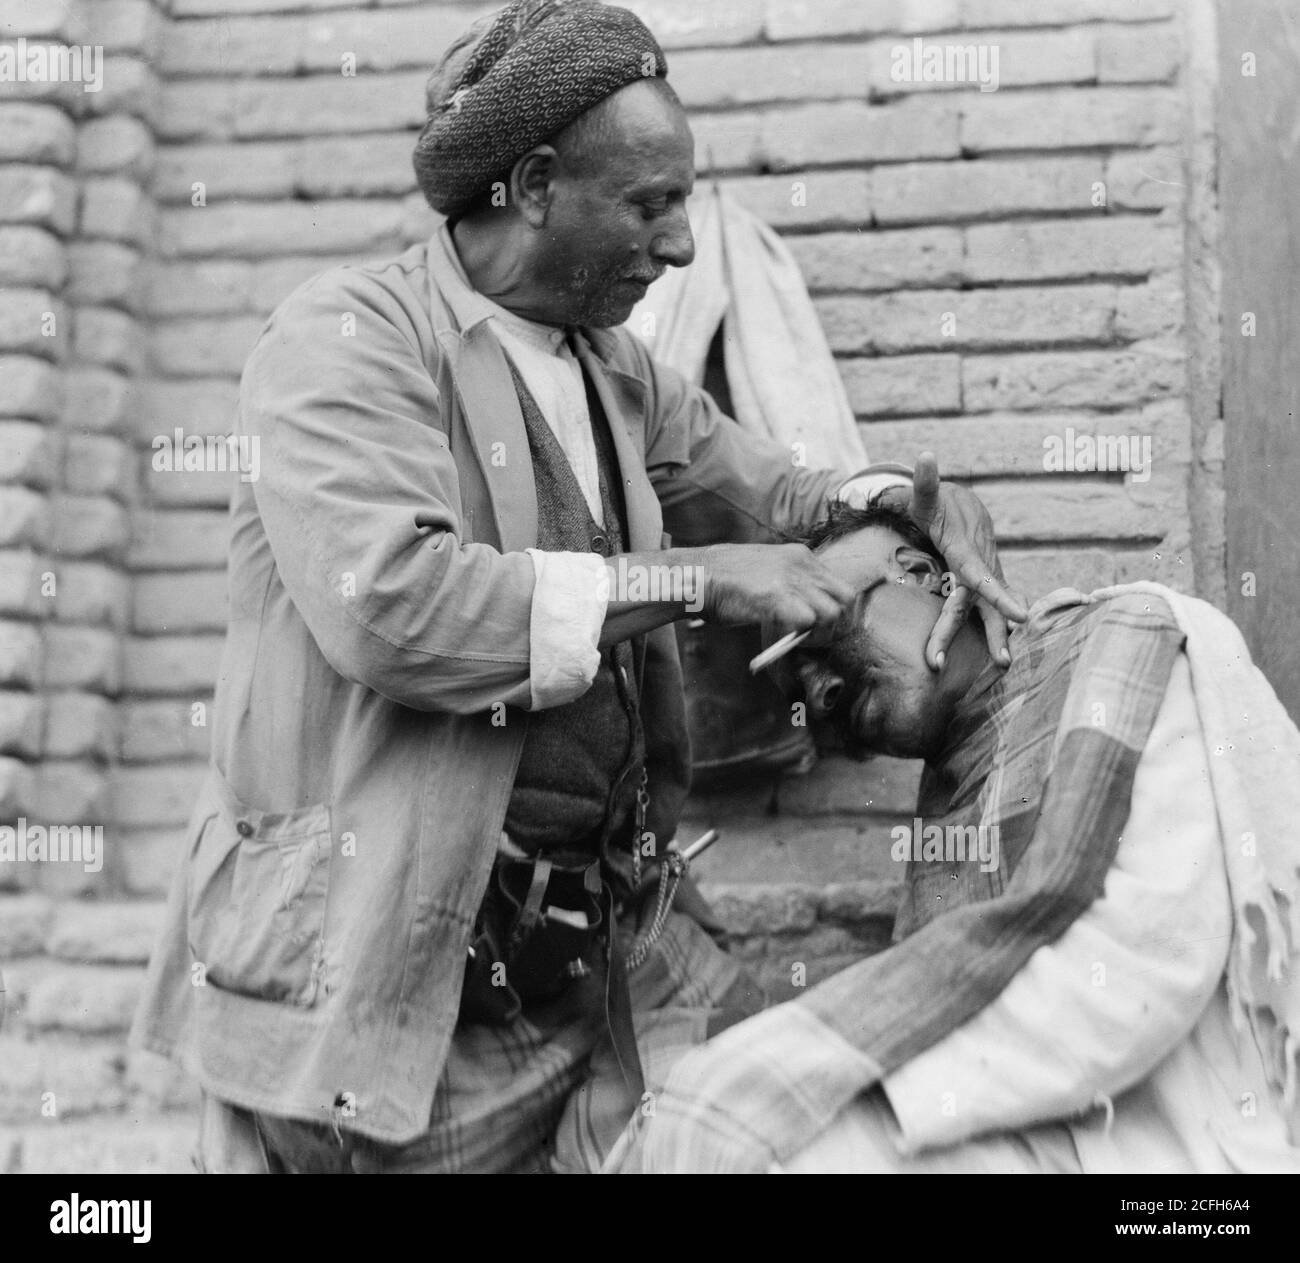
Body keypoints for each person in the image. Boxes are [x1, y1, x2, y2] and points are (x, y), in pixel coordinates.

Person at [130, 1, 1023, 1173]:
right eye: (651, 204)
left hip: (586, 956)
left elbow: (774, 487)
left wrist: (901, 500)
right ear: (536, 184)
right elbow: (393, 606)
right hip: (384, 971)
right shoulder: (345, 341)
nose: (683, 246)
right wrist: (696, 579)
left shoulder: (611, 368)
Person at [608, 503, 1300, 1174]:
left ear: (924, 574)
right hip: (1037, 1124)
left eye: (819, 632)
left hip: (1173, 1138)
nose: (818, 696)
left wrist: (829, 1078)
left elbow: (1138, 970)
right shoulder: (948, 795)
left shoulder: (1125, 640)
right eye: (799, 685)